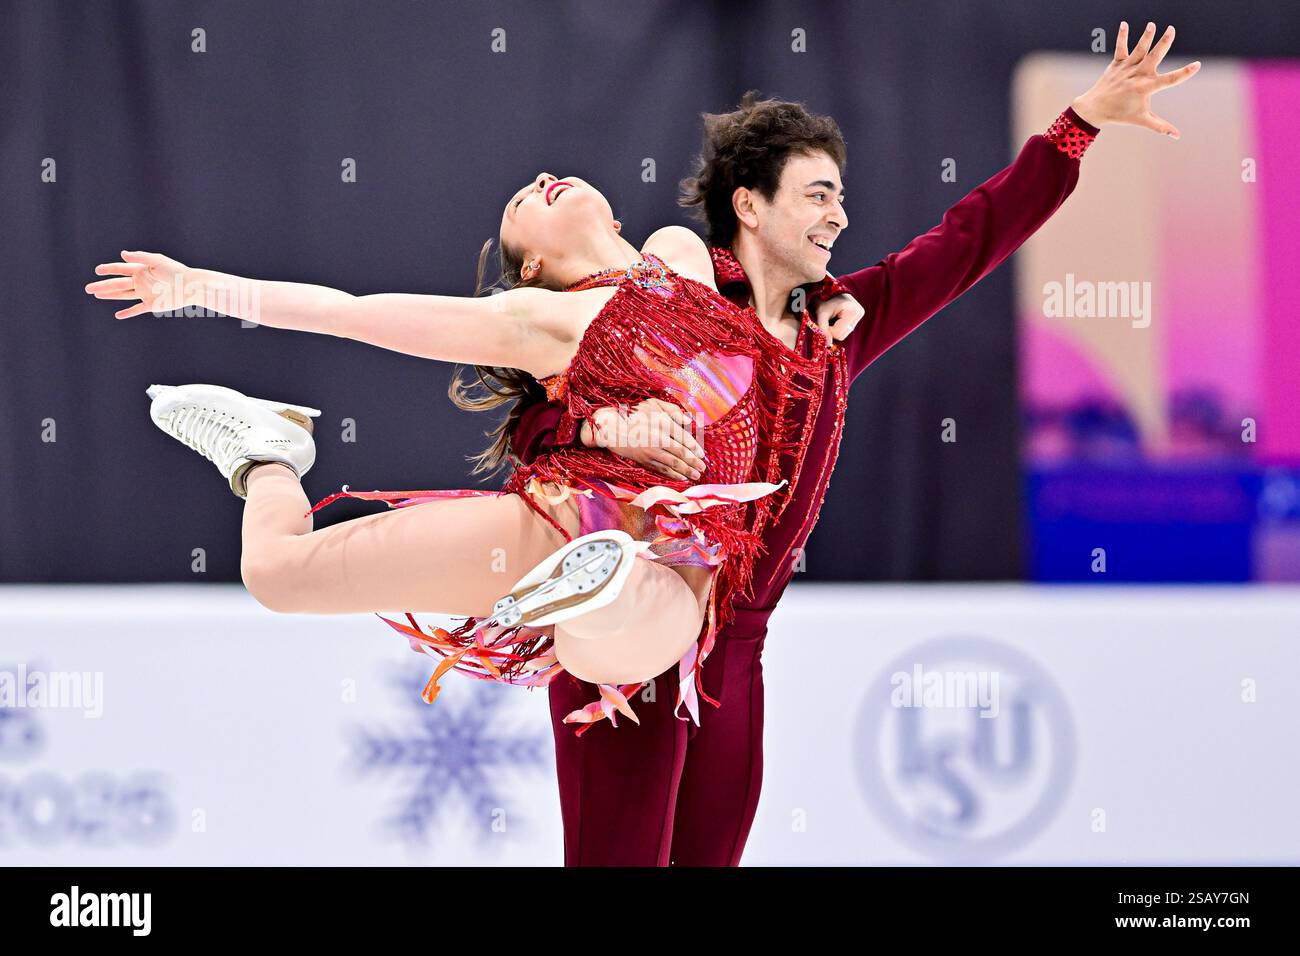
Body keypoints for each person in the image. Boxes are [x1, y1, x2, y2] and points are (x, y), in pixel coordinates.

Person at [509, 21, 1200, 865]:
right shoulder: (666, 301)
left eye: (839, 196)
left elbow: (967, 241)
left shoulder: (833, 333)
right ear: (750, 206)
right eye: (818, 195)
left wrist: (1079, 124)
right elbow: (535, 423)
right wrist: (599, 423)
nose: (840, 216)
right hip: (635, 631)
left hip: (737, 659)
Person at [83, 173, 860, 734]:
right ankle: (268, 455)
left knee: (640, 623)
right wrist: (199, 285)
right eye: (524, 201)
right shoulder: (540, 321)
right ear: (532, 269)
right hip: (564, 518)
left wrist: (827, 291)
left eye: (546, 181)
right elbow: (353, 314)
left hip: (680, 559)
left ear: (614, 214)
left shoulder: (680, 254)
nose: (544, 180)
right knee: (273, 574)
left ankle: (594, 584)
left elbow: (778, 280)